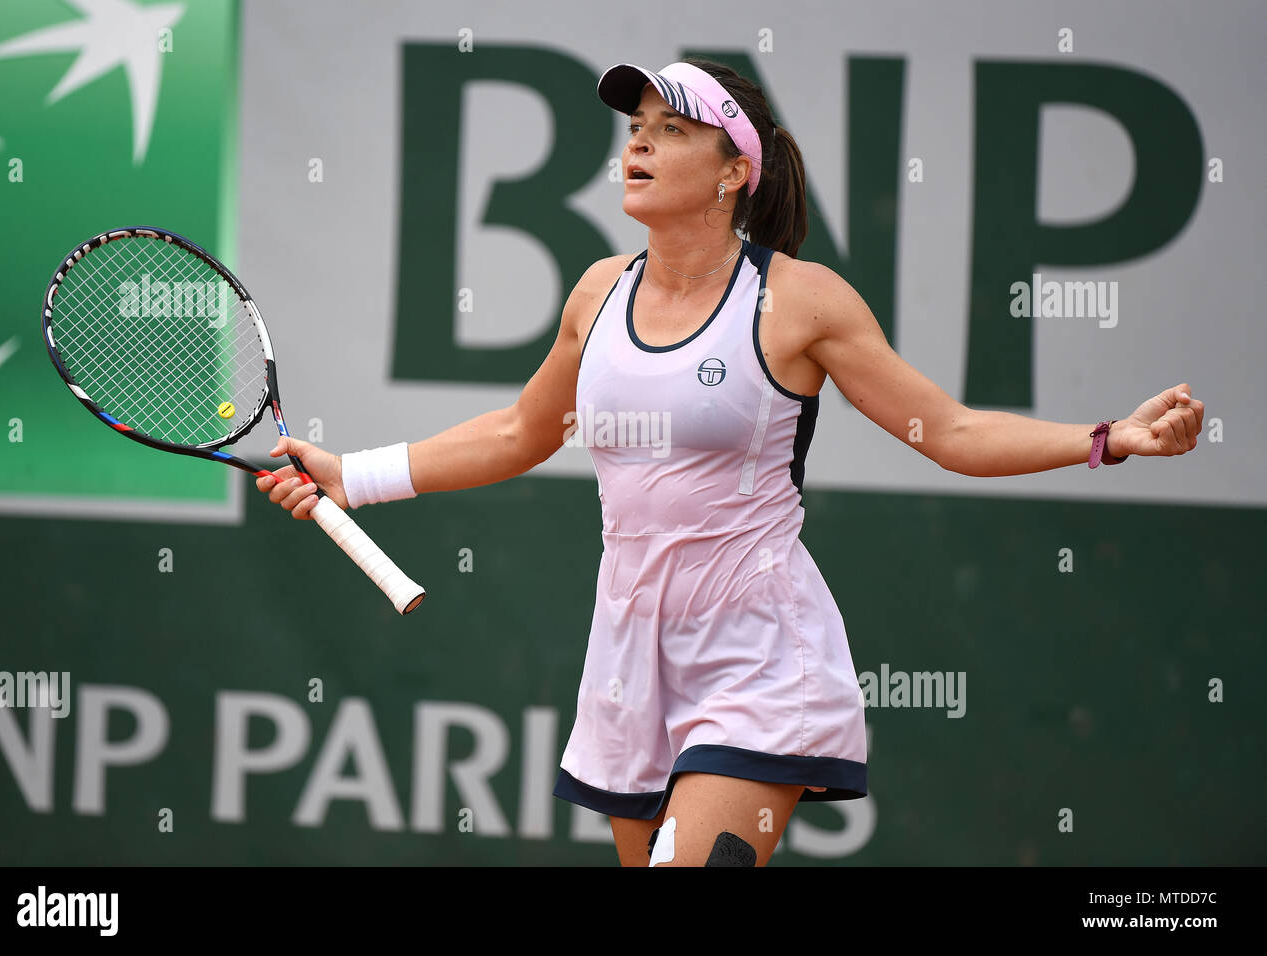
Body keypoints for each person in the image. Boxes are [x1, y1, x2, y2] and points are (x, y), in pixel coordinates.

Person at [255, 58, 1204, 867]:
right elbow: (521, 431)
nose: (638, 144)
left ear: (731, 171)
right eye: (636, 127)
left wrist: (1107, 438)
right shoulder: (597, 293)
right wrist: (355, 474)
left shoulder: (802, 302)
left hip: (759, 657)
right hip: (628, 659)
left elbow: (946, 433)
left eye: (671, 130)